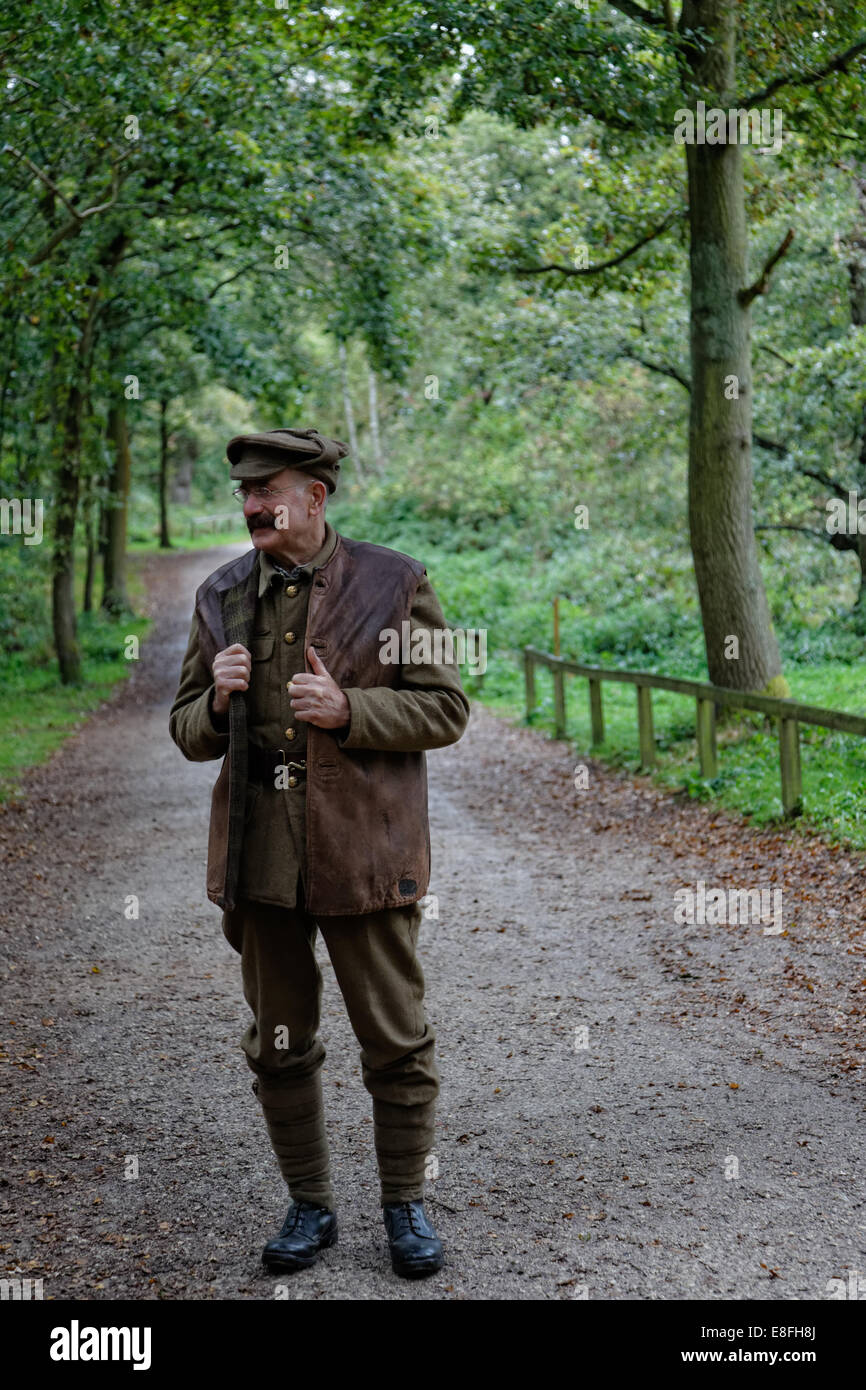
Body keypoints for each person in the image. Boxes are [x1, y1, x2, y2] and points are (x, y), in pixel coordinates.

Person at [169, 427, 469, 1279]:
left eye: (270, 488)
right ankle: (309, 1204)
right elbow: (185, 730)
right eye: (245, 492)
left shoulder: (396, 582)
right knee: (279, 1043)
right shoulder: (221, 595)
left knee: (396, 1038)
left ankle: (405, 1205)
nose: (254, 504)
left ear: (316, 497)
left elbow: (447, 709)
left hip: (364, 855)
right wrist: (218, 708)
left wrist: (352, 712)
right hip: (260, 861)